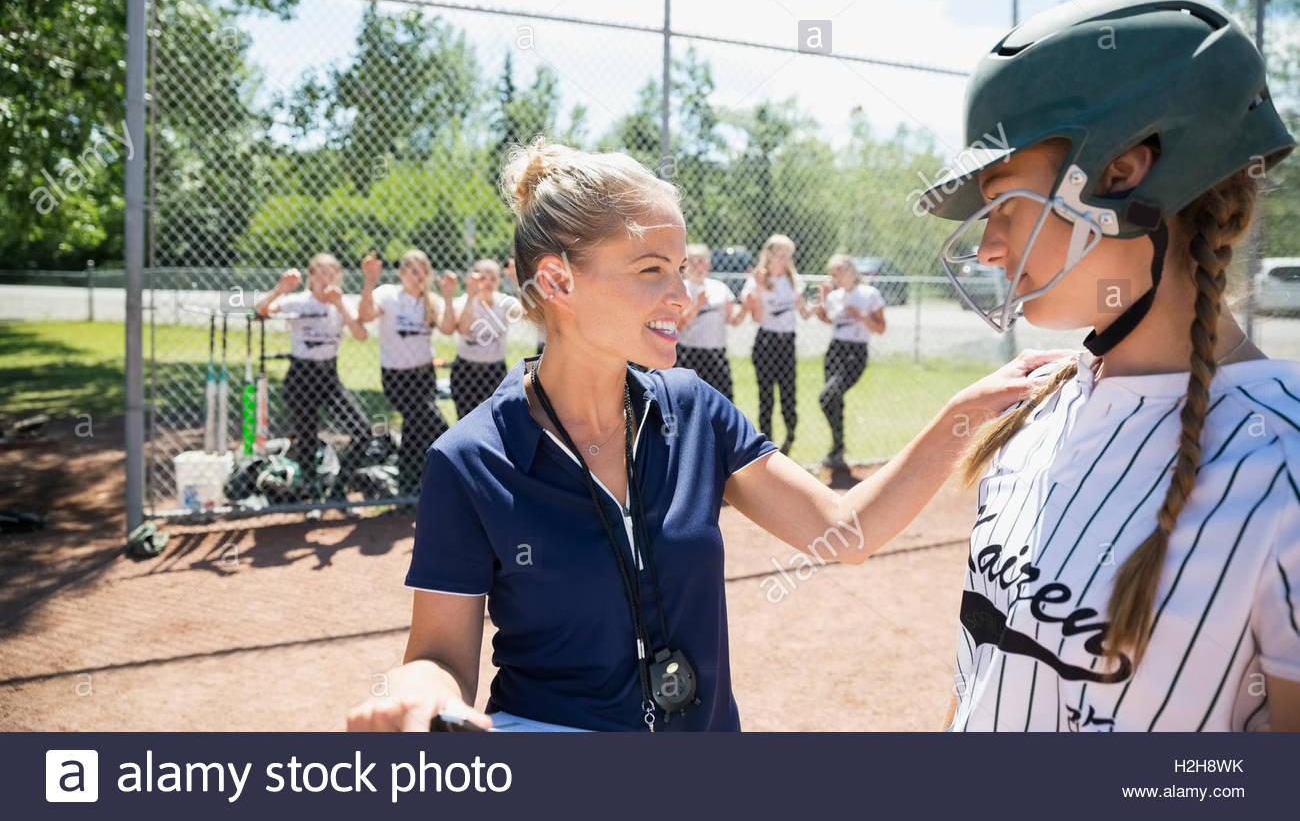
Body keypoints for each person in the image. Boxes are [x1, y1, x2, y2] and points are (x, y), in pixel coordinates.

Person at [345, 137, 1068, 733]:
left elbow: (844, 532)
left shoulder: (694, 410)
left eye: (684, 270)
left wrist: (963, 413)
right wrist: (420, 693)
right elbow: (440, 656)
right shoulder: (471, 459)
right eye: (652, 271)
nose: (682, 297)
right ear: (557, 283)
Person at [916, 0, 1300, 731]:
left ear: (1123, 173)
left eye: (1004, 203)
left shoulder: (1280, 463)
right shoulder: (1031, 419)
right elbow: (978, 688)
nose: (990, 247)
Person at [253, 253, 369, 501]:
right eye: (322, 273)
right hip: (301, 375)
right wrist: (280, 289)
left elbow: (361, 334)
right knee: (307, 438)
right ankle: (313, 494)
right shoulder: (299, 301)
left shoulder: (341, 303)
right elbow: (259, 313)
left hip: (329, 377)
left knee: (363, 431)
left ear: (339, 277)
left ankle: (337, 489)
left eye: (332, 273)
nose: (327, 278)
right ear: (312, 277)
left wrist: (339, 305)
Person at [358, 250, 457, 497]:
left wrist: (447, 296)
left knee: (414, 432)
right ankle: (451, 481)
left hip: (424, 377)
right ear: (402, 273)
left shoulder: (431, 301)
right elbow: (365, 315)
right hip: (397, 378)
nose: (418, 276)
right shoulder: (389, 294)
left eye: (423, 270)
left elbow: (446, 329)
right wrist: (369, 281)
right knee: (437, 426)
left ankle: (409, 489)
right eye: (412, 270)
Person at [814, 253, 886, 469]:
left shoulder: (869, 294)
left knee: (827, 397)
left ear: (852, 271)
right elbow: (827, 319)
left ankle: (838, 446)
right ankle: (837, 449)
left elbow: (881, 328)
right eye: (833, 275)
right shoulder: (835, 296)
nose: (836, 278)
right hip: (835, 350)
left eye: (839, 273)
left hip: (855, 352)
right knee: (835, 401)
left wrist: (862, 316)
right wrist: (822, 301)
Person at [741, 234, 812, 454]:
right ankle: (767, 444)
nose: (784, 259)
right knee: (766, 396)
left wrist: (819, 303)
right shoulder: (756, 281)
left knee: (789, 394)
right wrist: (760, 288)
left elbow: (805, 313)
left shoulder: (794, 280)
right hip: (766, 341)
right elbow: (756, 316)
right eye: (779, 254)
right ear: (769, 255)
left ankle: (790, 436)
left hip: (787, 342)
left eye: (787, 255)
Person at [442, 259, 520, 421]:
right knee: (466, 419)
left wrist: (517, 283)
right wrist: (472, 296)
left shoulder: (503, 302)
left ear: (499, 281)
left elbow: (525, 312)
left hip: (495, 371)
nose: (489, 283)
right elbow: (463, 329)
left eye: (493, 278)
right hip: (466, 371)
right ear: (474, 279)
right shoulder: (464, 301)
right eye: (483, 278)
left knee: (496, 420)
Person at [674, 243, 744, 401]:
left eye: (701, 261)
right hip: (688, 353)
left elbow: (733, 320)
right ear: (685, 265)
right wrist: (698, 305)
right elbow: (678, 326)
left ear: (708, 263)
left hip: (716, 353)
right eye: (692, 261)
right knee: (687, 400)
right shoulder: (680, 288)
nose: (697, 266)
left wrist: (746, 307)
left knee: (723, 400)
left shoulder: (720, 288)